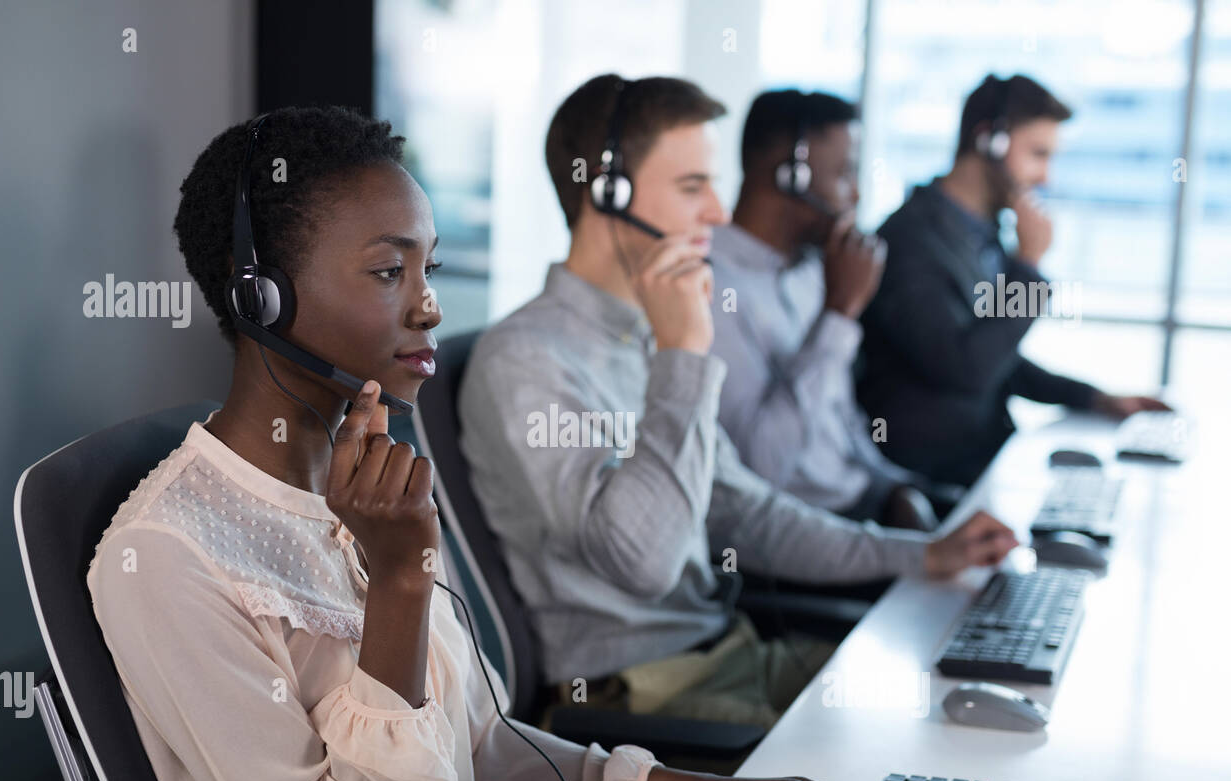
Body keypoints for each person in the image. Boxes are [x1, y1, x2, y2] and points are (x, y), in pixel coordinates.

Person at [85, 105, 923, 781]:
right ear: (259, 297)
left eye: (429, 269)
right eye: (389, 274)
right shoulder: (163, 557)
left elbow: (471, 746)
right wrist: (401, 584)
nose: (429, 307)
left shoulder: (373, 478)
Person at [458, 75, 1017, 733]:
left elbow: (743, 511)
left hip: (732, 652)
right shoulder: (528, 361)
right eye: (693, 187)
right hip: (637, 701)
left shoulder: (644, 335)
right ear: (607, 192)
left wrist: (918, 554)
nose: (719, 213)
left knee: (944, 693)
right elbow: (645, 562)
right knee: (896, 742)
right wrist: (684, 357)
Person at [857, 74, 1171, 487]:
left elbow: (1000, 359)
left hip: (982, 463)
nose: (1046, 178)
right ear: (990, 141)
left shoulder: (980, 235)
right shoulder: (910, 239)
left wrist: (1095, 398)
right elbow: (967, 368)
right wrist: (1029, 267)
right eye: (1038, 154)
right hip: (928, 481)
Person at [710, 89, 963, 532]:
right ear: (790, 177)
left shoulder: (813, 270)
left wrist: (897, 488)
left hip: (865, 499)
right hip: (803, 534)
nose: (857, 194)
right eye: (845, 173)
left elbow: (842, 427)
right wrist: (839, 315)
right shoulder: (714, 288)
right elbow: (764, 465)